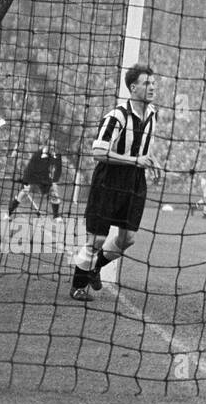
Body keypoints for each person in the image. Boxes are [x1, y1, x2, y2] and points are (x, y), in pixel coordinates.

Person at [69, 65, 163, 301]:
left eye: (153, 83)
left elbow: (143, 149)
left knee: (127, 239)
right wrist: (135, 160)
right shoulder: (117, 116)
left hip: (134, 182)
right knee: (97, 239)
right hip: (109, 180)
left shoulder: (153, 114)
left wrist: (153, 162)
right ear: (133, 87)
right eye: (146, 83)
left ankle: (96, 267)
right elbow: (98, 152)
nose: (152, 87)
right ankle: (78, 286)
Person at [11, 137, 63, 220]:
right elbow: (32, 169)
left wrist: (53, 181)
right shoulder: (38, 154)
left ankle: (56, 216)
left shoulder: (53, 155)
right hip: (32, 178)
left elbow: (55, 168)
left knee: (54, 192)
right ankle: (8, 213)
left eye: (54, 146)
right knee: (23, 193)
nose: (52, 147)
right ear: (45, 145)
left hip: (43, 179)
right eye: (51, 145)